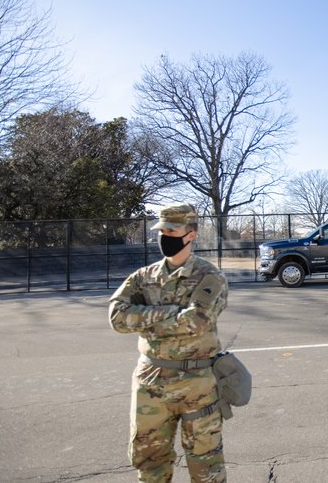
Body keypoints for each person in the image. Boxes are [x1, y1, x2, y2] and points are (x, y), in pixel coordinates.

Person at [109, 203, 229, 482]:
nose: (164, 236)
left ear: (191, 234)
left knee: (206, 465)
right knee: (150, 463)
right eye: (161, 231)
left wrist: (143, 319)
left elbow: (196, 322)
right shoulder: (143, 277)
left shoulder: (210, 277)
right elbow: (116, 317)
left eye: (171, 230)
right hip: (150, 381)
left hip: (196, 381)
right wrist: (173, 314)